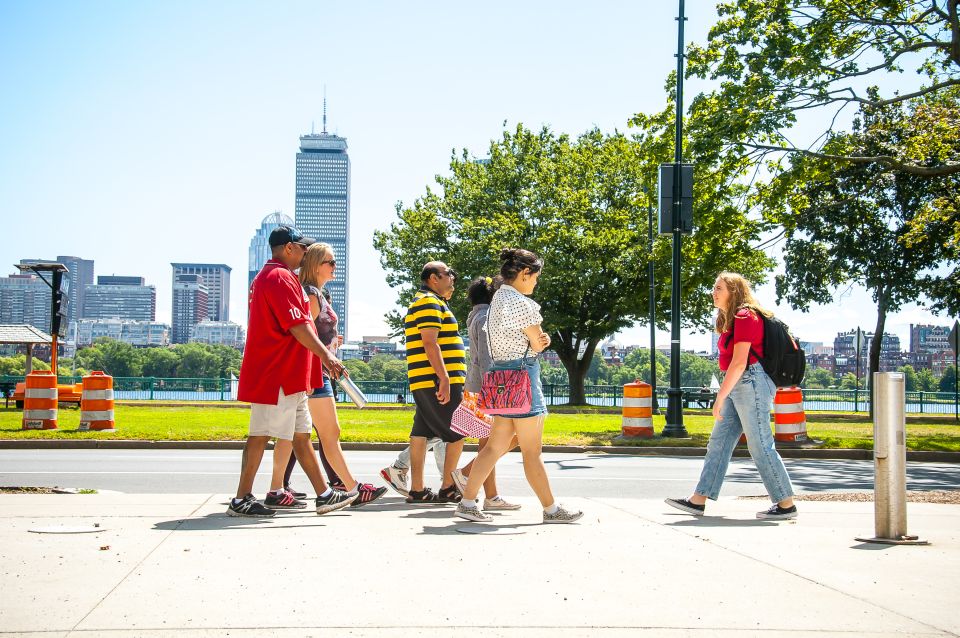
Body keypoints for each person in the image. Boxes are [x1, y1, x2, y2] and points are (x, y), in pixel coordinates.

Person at [227, 225, 357, 517]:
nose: (305, 252)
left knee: (300, 437)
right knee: (260, 435)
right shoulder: (278, 278)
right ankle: (241, 499)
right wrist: (326, 356)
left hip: (290, 373)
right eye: (301, 247)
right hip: (278, 373)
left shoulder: (277, 278)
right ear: (288, 248)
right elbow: (298, 325)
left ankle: (324, 495)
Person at [455, 249, 582, 524]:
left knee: (492, 447)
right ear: (525, 274)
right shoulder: (523, 304)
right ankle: (551, 509)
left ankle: (467, 501)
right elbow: (537, 343)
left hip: (500, 377)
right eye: (536, 277)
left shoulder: (498, 297)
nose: (536, 283)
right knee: (532, 452)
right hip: (523, 376)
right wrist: (543, 341)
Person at [665, 272, 798, 520]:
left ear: (734, 292)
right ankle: (699, 499)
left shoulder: (746, 316)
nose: (714, 293)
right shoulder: (731, 320)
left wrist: (719, 397)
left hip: (751, 383)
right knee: (719, 443)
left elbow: (739, 363)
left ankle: (786, 504)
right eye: (714, 288)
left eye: (719, 288)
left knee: (759, 445)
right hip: (739, 384)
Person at [272, 243, 387, 507]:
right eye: (331, 262)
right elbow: (302, 334)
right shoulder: (311, 294)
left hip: (316, 371)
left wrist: (332, 343)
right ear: (315, 264)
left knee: (293, 435)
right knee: (328, 433)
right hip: (313, 373)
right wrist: (323, 358)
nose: (335, 267)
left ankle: (276, 490)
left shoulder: (318, 294)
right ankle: (353, 489)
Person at [450, 275, 520, 511]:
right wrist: (501, 386)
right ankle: (468, 475)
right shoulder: (485, 318)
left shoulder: (477, 316)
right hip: (489, 387)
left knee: (489, 442)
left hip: (478, 386)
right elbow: (488, 358)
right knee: (505, 438)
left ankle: (490, 496)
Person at [402, 261, 466, 503]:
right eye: (448, 273)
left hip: (425, 379)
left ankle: (417, 490)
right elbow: (430, 342)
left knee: (421, 432)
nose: (453, 277)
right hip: (434, 379)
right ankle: (448, 487)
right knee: (458, 432)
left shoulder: (429, 302)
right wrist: (444, 377)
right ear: (433, 278)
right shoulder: (429, 302)